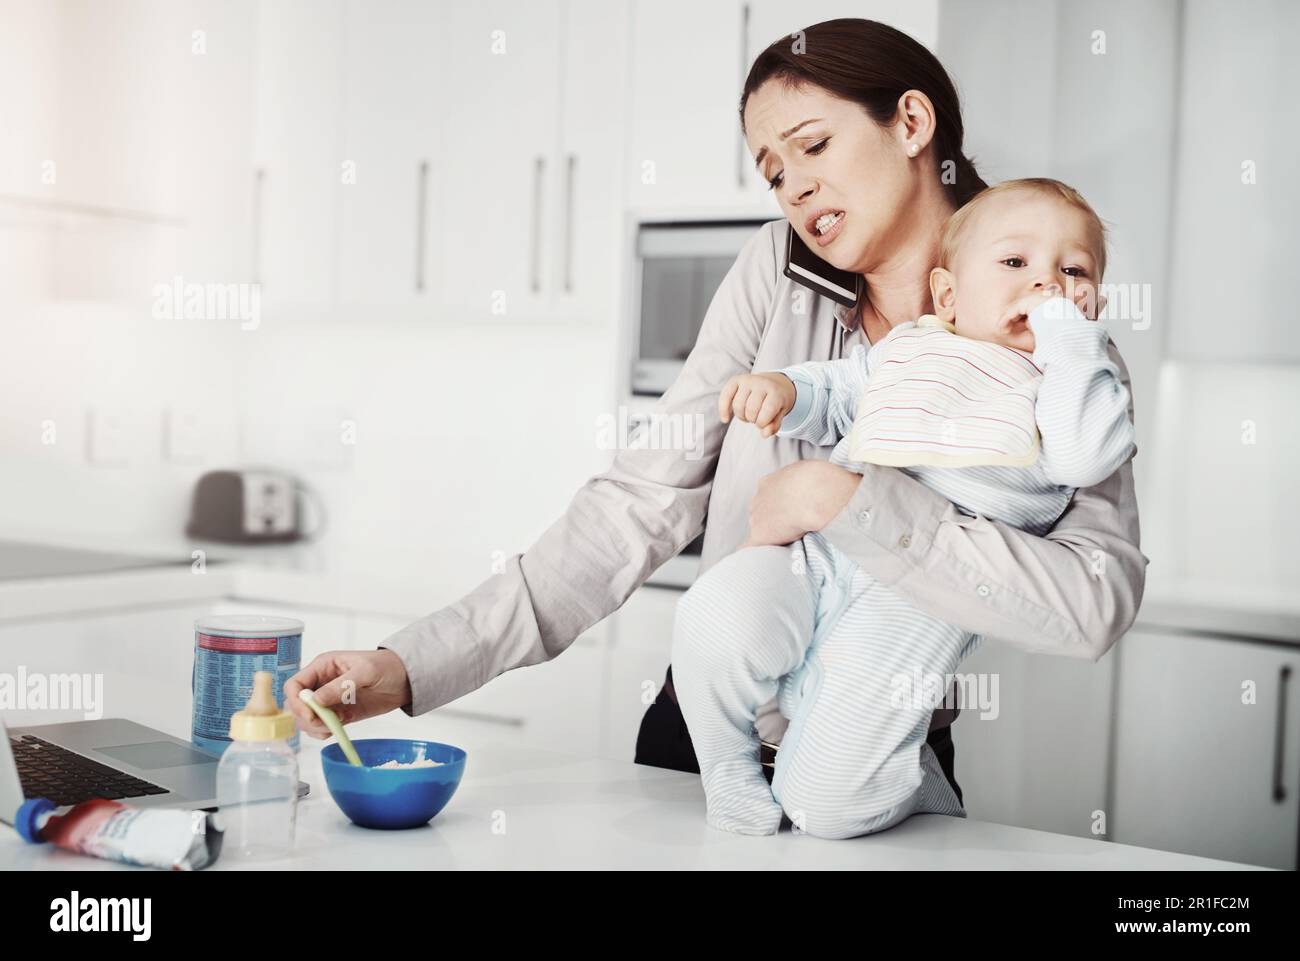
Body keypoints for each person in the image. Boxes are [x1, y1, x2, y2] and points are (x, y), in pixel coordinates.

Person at [285, 20, 1147, 816]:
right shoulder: (775, 270)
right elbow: (635, 504)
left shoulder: (1058, 318)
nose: (794, 185)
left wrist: (845, 503)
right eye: (773, 170)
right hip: (702, 733)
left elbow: (1092, 600)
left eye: (812, 145)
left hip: (880, 757)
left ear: (912, 122)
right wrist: (408, 667)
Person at [671, 178, 1135, 838]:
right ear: (949, 294)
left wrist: (1075, 343)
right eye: (1015, 263)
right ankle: (726, 769)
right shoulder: (915, 347)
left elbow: (1087, 457)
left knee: (823, 804)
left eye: (1073, 271)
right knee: (711, 616)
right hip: (823, 550)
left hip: (920, 596)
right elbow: (840, 390)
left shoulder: (1073, 385)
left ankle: (908, 779)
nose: (1046, 286)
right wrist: (784, 391)